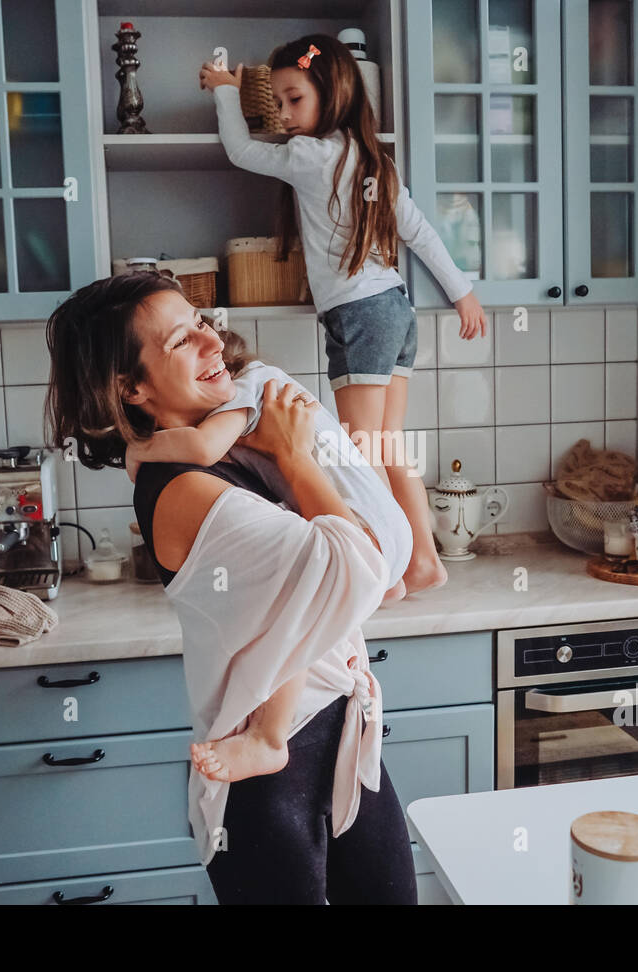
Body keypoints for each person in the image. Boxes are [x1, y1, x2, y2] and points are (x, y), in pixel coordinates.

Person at [45, 272, 417, 904]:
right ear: (129, 387)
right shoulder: (182, 489)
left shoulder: (232, 448)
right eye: (180, 341)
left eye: (202, 323)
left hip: (343, 739)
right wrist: (298, 460)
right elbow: (357, 568)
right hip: (270, 793)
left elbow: (331, 583)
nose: (212, 343)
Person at [199, 33, 488, 599]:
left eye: (293, 100)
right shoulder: (371, 157)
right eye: (276, 102)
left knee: (361, 456)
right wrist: (463, 294)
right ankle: (423, 561)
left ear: (330, 95)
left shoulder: (311, 155)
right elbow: (420, 231)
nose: (282, 115)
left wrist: (228, 93)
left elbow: (241, 152)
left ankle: (383, 569)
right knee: (386, 445)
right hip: (398, 312)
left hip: (359, 317)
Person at [121, 346, 413, 782]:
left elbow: (203, 446)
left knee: (290, 603)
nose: (209, 346)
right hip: (388, 533)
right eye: (182, 341)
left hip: (364, 534)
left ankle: (269, 736)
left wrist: (137, 449)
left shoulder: (252, 389)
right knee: (293, 595)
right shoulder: (260, 404)